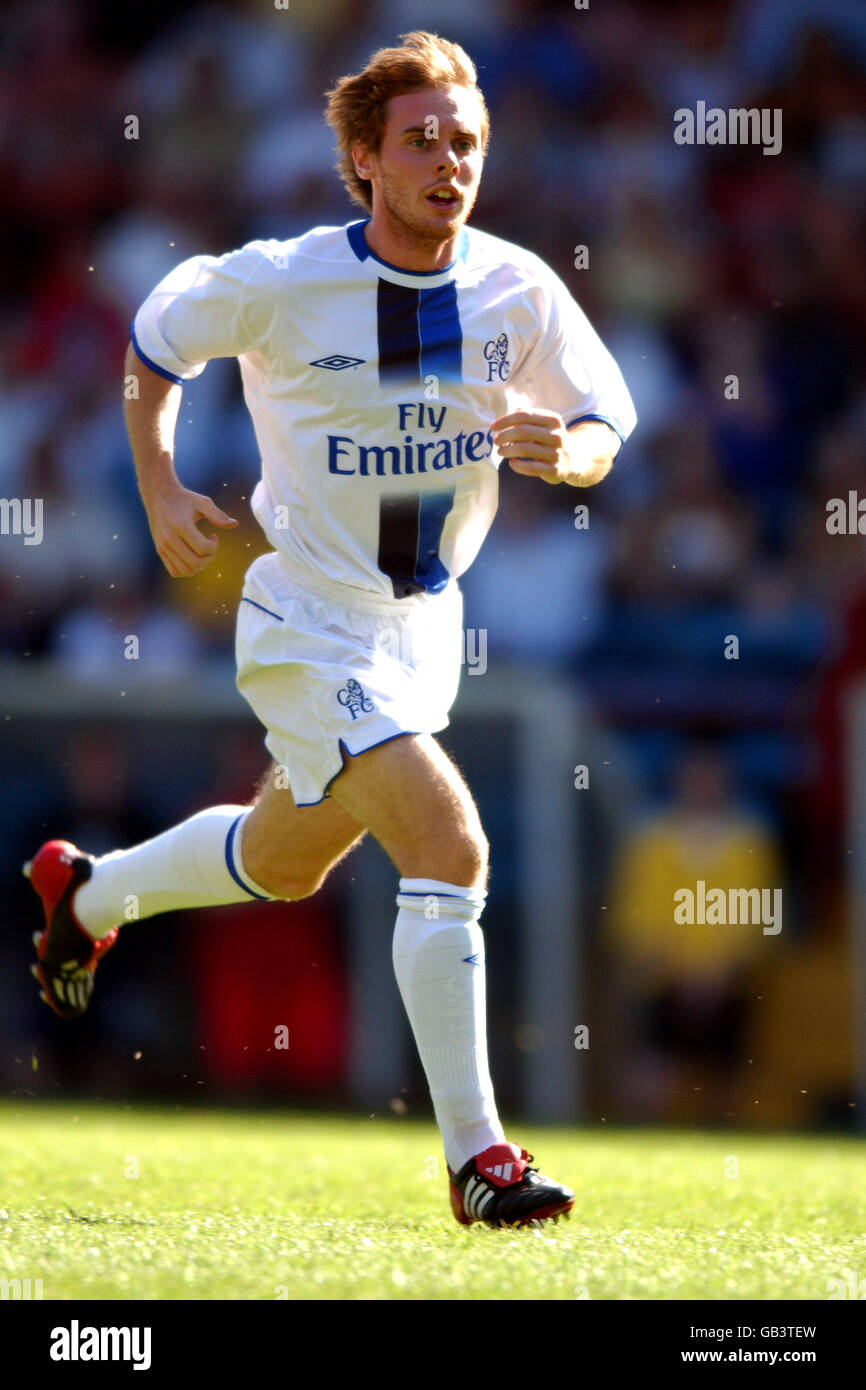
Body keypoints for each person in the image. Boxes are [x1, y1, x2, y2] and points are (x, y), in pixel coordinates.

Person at [26, 31, 635, 1228]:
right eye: (419, 140)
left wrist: (571, 453)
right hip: (305, 618)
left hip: (421, 631)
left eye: (464, 140)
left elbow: (603, 410)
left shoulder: (518, 285)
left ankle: (85, 896)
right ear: (363, 159)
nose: (447, 161)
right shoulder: (283, 277)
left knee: (285, 860)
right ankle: (478, 1159)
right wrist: (155, 486)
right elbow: (155, 339)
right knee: (449, 848)